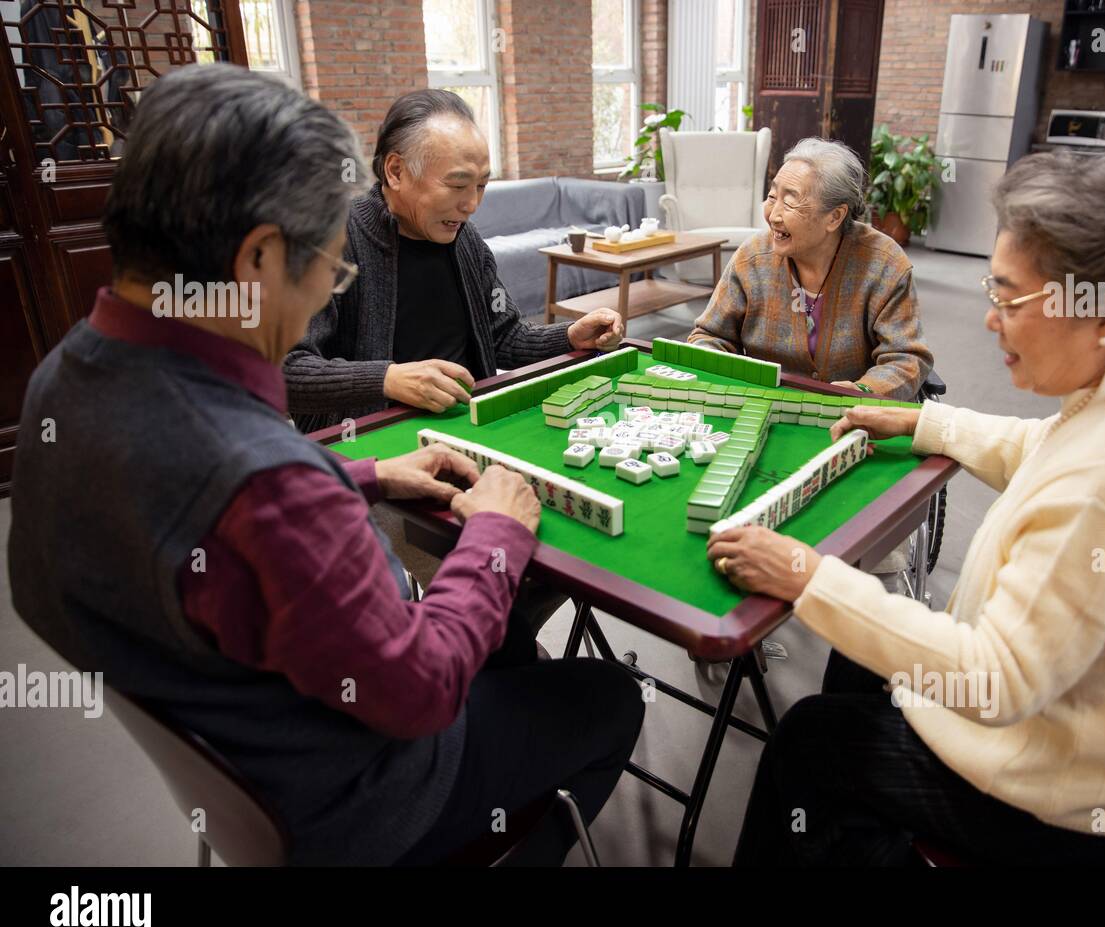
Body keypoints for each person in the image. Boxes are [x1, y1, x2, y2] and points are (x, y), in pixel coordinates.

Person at [8, 64, 643, 866]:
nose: (327, 293)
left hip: (251, 774)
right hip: (368, 803)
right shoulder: (267, 482)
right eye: (329, 269)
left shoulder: (61, 385)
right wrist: (491, 535)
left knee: (511, 646)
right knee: (608, 696)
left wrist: (365, 475)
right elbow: (422, 690)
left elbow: (210, 515)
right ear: (257, 261)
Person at [709, 145, 1105, 865]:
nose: (988, 322)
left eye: (1010, 298)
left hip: (1075, 799)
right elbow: (1042, 443)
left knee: (809, 741)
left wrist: (804, 573)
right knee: (858, 659)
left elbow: (992, 681)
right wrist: (923, 422)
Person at [283, 88, 626, 435]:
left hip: (470, 427)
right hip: (365, 444)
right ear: (396, 171)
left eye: (481, 185)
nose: (472, 204)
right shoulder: (331, 241)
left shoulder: (465, 240)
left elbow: (502, 337)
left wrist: (569, 336)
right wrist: (388, 378)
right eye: (457, 184)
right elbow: (284, 370)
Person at [688, 137, 933, 399]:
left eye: (790, 202)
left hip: (848, 417)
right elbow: (709, 334)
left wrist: (865, 391)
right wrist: (712, 357)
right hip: (764, 406)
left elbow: (906, 357)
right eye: (772, 197)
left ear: (835, 216)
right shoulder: (753, 258)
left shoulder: (883, 264)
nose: (773, 215)